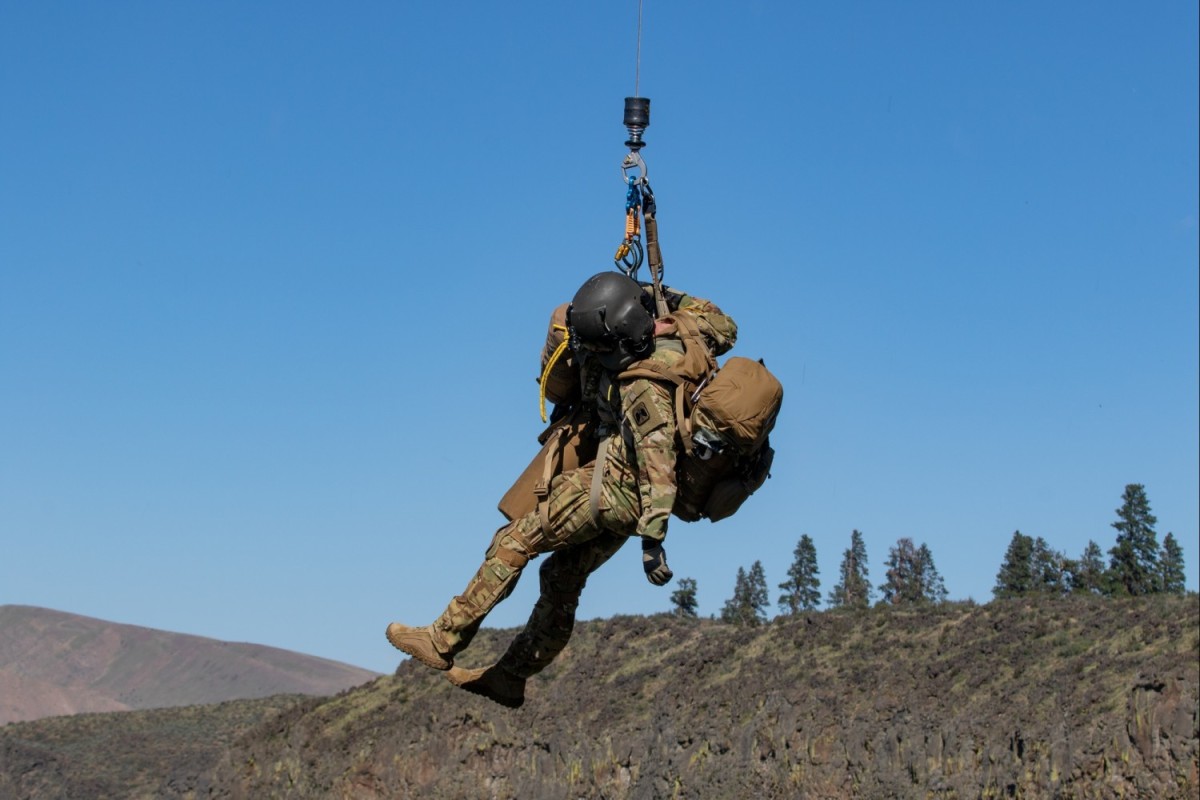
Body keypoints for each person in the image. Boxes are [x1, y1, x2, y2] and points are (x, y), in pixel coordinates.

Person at [386, 271, 736, 708]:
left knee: (515, 540)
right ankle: (510, 676)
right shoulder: (688, 338)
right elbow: (724, 323)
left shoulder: (641, 380)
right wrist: (660, 295)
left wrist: (653, 539)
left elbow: (657, 455)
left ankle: (443, 638)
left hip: (614, 488)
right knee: (561, 577)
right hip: (632, 503)